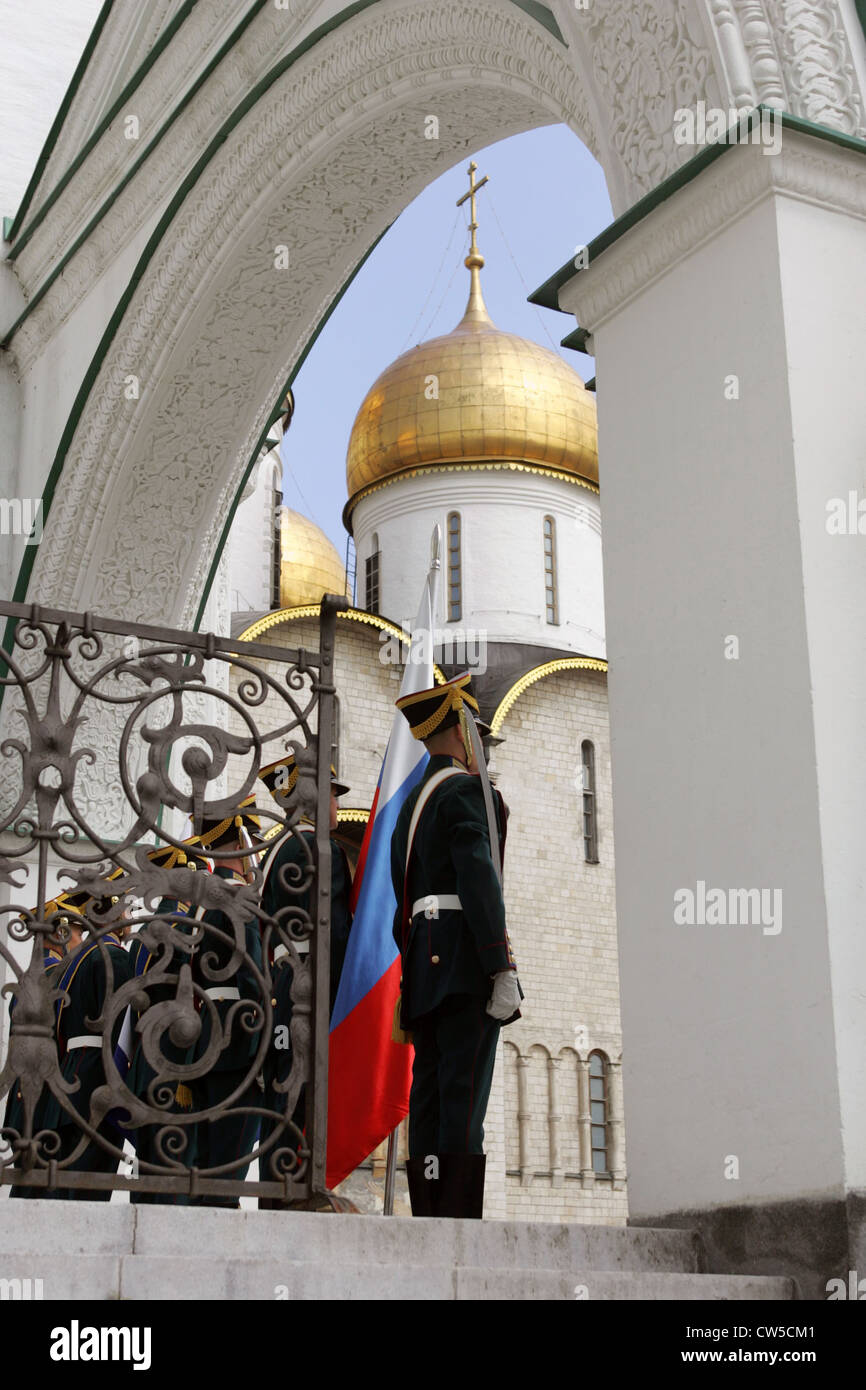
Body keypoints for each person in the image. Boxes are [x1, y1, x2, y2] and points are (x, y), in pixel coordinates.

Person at [391, 672, 522, 1219]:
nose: (482, 749)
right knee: (464, 1101)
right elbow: (479, 880)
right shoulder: (467, 791)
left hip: (424, 972)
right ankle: (457, 1226)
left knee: (429, 1103)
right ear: (461, 731)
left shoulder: (408, 807)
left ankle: (428, 1216)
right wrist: (500, 964)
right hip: (465, 968)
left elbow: (400, 901)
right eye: (479, 737)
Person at [255, 756, 352, 1206]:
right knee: (306, 1088)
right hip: (311, 988)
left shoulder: (276, 850)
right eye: (332, 793)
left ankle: (276, 1191)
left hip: (280, 985)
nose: (335, 804)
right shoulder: (318, 850)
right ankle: (299, 1191)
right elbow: (335, 933)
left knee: (281, 1091)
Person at [124, 839, 210, 1204]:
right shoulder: (183, 928)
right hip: (175, 1063)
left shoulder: (144, 932)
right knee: (174, 1165)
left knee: (150, 1163)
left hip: (144, 1064)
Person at [189, 795, 265, 1207]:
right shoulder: (237, 899)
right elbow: (251, 978)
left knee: (205, 1162)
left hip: (204, 1042)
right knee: (228, 1168)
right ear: (239, 841)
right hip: (238, 1045)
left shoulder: (203, 901)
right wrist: (260, 1049)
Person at [38, 889, 135, 1199]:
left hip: (68, 1076)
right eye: (127, 911)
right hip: (96, 1081)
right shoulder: (114, 955)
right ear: (116, 914)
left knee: (63, 1190)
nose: (130, 919)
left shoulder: (74, 960)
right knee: (89, 1191)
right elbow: (120, 1025)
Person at [2, 897, 82, 1197]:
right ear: (59, 935)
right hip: (42, 1093)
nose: (80, 940)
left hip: (25, 1092)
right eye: (77, 933)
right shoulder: (55, 974)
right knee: (38, 1187)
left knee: (29, 1185)